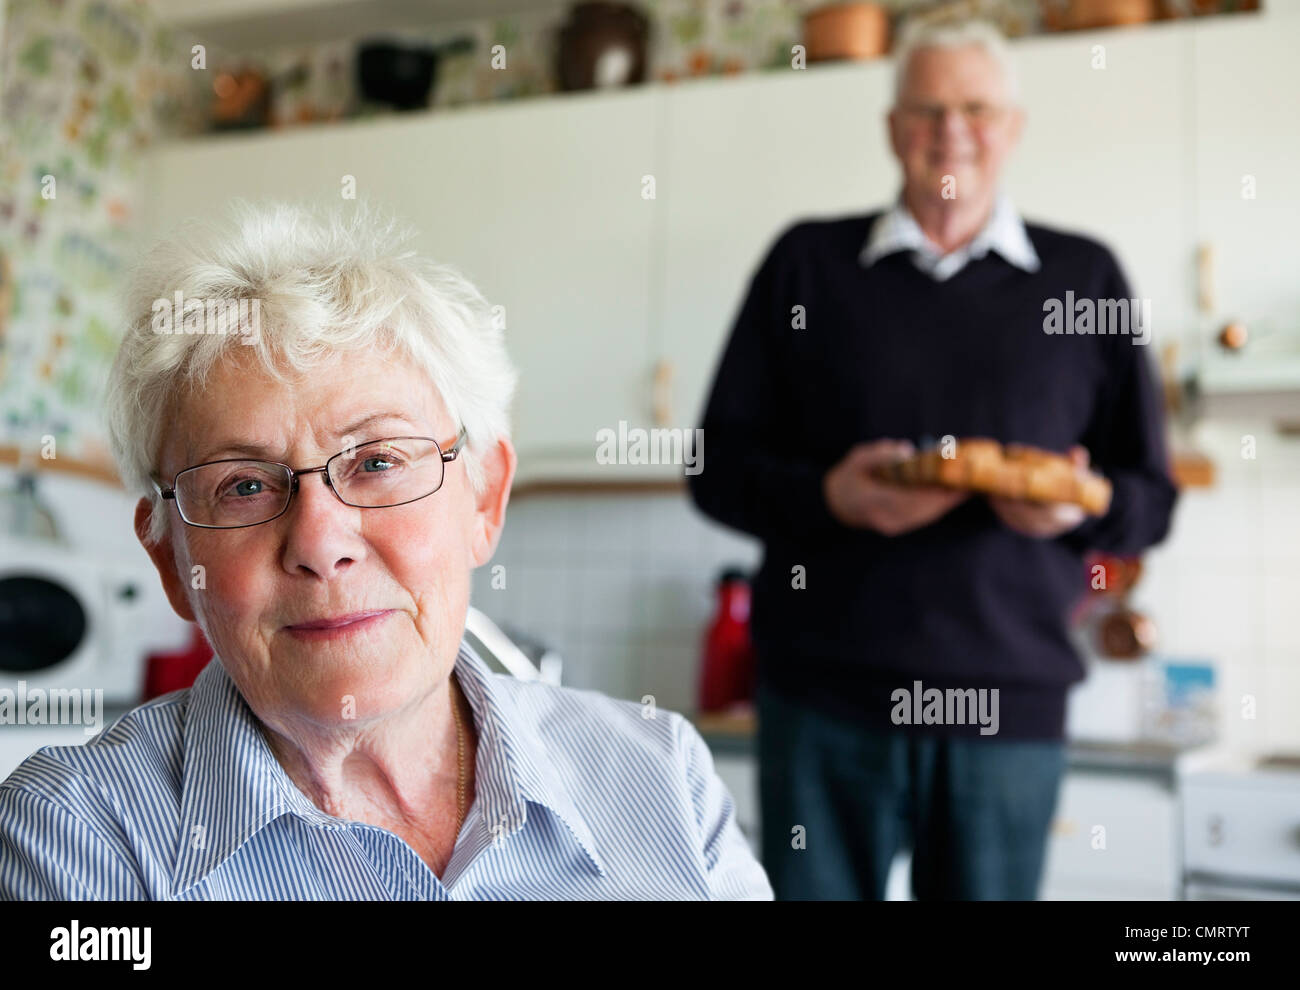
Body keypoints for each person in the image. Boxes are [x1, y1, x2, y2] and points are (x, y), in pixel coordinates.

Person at [0, 202, 772, 901]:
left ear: (484, 498)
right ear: (171, 562)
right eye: (242, 486)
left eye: (376, 462)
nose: (319, 542)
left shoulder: (663, 776)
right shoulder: (75, 836)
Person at [687, 19, 1177, 900]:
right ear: (891, 128)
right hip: (820, 701)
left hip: (1009, 708)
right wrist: (833, 497)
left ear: (1014, 127)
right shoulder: (807, 264)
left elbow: (1152, 499)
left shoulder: (1086, 279)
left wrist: (1081, 505)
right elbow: (713, 468)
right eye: (927, 109)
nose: (952, 131)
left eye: (978, 109)